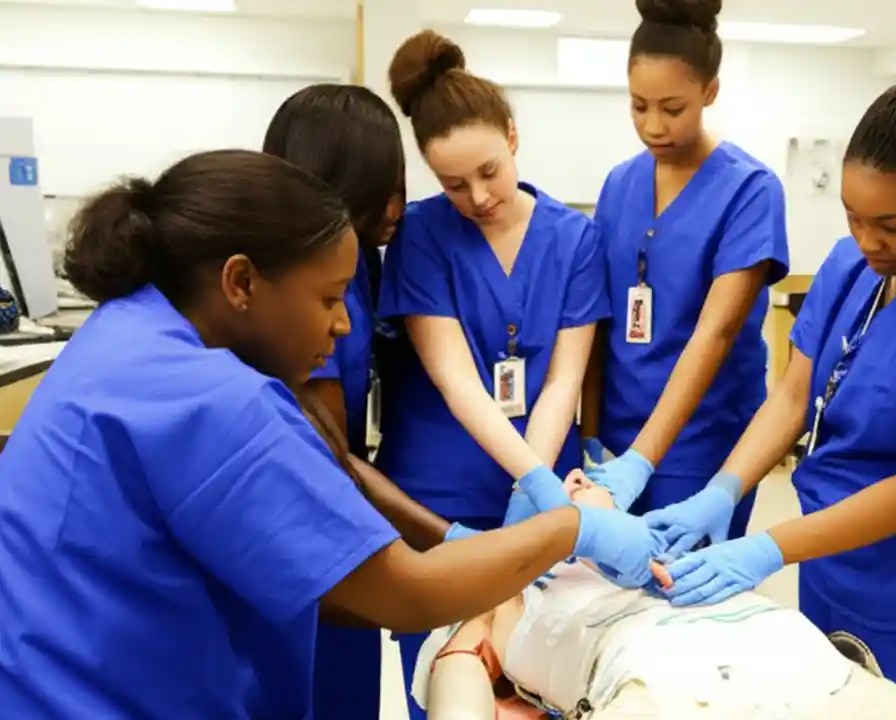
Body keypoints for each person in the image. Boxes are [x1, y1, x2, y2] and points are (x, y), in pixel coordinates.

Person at [0, 150, 661, 718]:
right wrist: (572, 528)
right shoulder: (209, 400)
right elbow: (405, 593)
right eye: (328, 298)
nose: (343, 327)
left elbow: (324, 574)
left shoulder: (126, 336)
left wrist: (484, 555)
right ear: (241, 282)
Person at [640, 29, 896, 718]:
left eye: (890, 224)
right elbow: (794, 395)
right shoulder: (850, 263)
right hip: (835, 553)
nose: (867, 240)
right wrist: (720, 492)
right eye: (853, 216)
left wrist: (767, 548)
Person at [377, 29, 612, 717]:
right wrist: (531, 478)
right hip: (436, 495)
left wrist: (532, 492)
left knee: (534, 683)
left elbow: (564, 382)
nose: (478, 196)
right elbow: (457, 383)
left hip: (540, 494)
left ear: (513, 137)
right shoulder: (421, 237)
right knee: (444, 679)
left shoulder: (574, 238)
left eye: (489, 171)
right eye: (453, 184)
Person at [410, 473, 896, 720]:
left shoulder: (696, 560)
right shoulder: (513, 597)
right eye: (566, 489)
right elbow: (458, 676)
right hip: (667, 693)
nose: (576, 477)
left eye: (586, 480)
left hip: (817, 671)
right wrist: (494, 581)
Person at [581, 0, 789, 539]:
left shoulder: (749, 190)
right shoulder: (618, 185)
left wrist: (643, 460)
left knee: (677, 600)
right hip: (616, 433)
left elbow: (715, 333)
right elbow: (598, 319)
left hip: (702, 441)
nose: (653, 125)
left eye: (672, 108)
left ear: (710, 92)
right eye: (638, 106)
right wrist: (591, 431)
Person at [261, 83, 409, 720]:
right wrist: (444, 541)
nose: (399, 204)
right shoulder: (307, 295)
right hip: (306, 533)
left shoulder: (366, 267)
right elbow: (329, 462)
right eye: (384, 185)